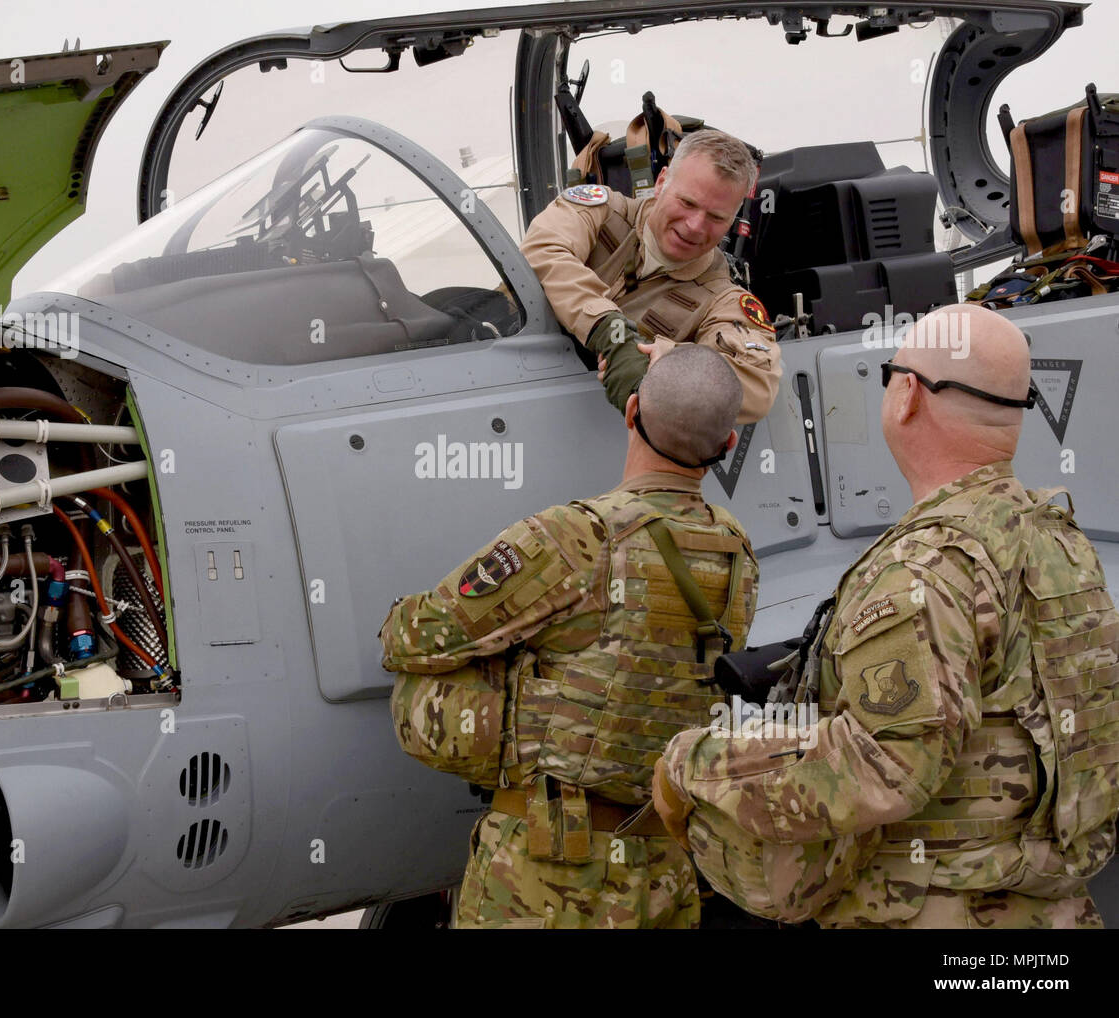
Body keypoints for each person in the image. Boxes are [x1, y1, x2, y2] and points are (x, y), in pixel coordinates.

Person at [653, 304, 1119, 928]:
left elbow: (883, 766)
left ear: (907, 395)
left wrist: (694, 763)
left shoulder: (923, 568)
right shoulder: (1060, 542)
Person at [382, 345, 759, 928]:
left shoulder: (578, 536)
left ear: (631, 410)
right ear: (728, 446)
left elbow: (418, 637)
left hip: (545, 877)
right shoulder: (737, 553)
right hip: (662, 871)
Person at [520, 128, 781, 423]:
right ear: (661, 183)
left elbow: (758, 385)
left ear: (731, 219)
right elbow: (542, 250)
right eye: (688, 203)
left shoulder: (722, 300)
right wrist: (609, 329)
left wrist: (665, 363)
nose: (695, 225)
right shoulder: (601, 212)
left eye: (716, 217)